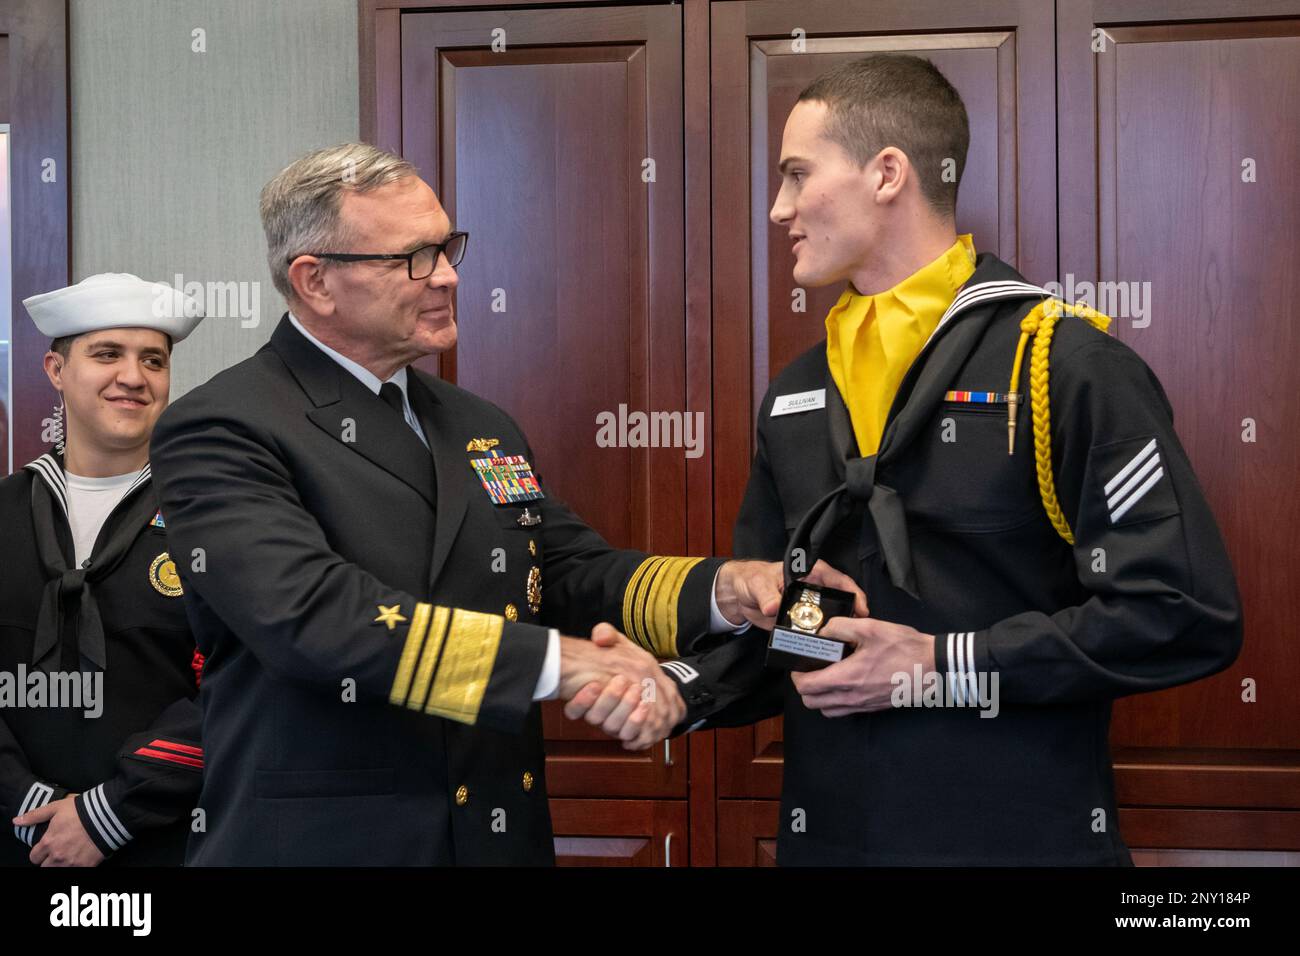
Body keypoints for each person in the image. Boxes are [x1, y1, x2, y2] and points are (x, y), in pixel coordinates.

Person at [579, 54, 1243, 865]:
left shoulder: (1061, 363)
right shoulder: (799, 390)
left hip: (1018, 844)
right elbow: (799, 624)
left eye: (796, 173)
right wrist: (679, 691)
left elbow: (1180, 614)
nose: (778, 207)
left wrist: (938, 663)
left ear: (887, 172)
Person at [148, 142, 858, 865]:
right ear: (316, 282)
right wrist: (561, 664)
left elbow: (569, 574)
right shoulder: (223, 425)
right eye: (414, 258)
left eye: (448, 247)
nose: (448, 277)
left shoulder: (477, 424)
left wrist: (725, 590)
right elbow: (314, 618)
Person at [2, 273, 205, 866]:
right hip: (17, 838)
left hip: (169, 840)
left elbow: (241, 681)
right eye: (106, 354)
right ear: (56, 371)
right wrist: (23, 804)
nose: (133, 377)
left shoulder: (213, 518)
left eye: (153, 360)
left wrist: (108, 812)